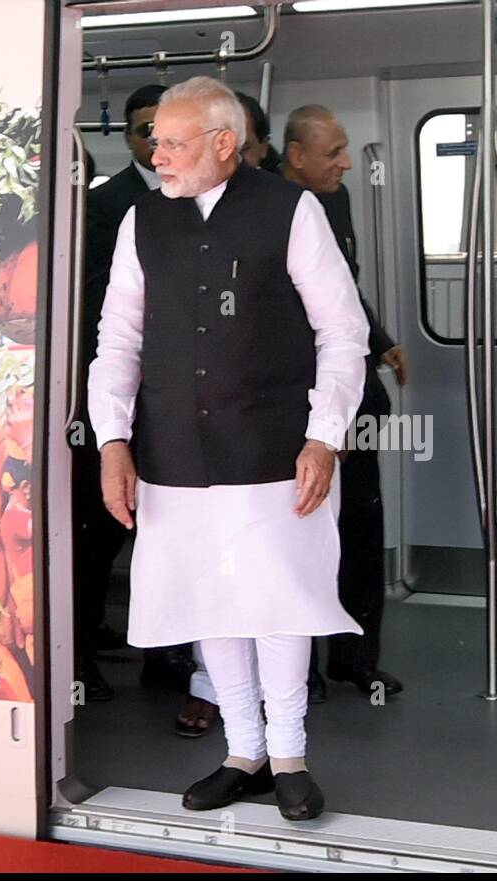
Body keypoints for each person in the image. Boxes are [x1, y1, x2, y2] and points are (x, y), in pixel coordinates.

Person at [88, 77, 370, 821]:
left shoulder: (291, 210)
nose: (158, 154)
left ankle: (288, 756)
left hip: (274, 445)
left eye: (173, 142)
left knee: (277, 601)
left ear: (224, 142)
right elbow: (116, 339)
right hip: (174, 449)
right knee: (209, 601)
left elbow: (342, 332)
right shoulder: (144, 221)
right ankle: (241, 751)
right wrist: (113, 440)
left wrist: (324, 435)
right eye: (155, 143)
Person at [281, 104, 406, 703]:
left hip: (356, 396)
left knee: (361, 524)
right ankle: (296, 670)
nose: (345, 162)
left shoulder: (337, 200)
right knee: (302, 537)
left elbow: (344, 291)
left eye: (345, 149)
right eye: (332, 153)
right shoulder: (270, 211)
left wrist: (380, 343)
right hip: (302, 403)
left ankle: (356, 657)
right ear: (295, 155)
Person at [73, 83, 170, 704]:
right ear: (128, 138)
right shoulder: (106, 206)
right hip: (121, 395)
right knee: (100, 534)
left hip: (187, 396)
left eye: (165, 133)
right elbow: (95, 313)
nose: (155, 145)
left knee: (171, 535)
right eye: (143, 133)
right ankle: (80, 657)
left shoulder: (210, 201)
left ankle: (168, 661)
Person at [236, 90, 282, 174]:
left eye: (242, 150)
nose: (229, 163)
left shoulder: (280, 186)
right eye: (215, 151)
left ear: (263, 147)